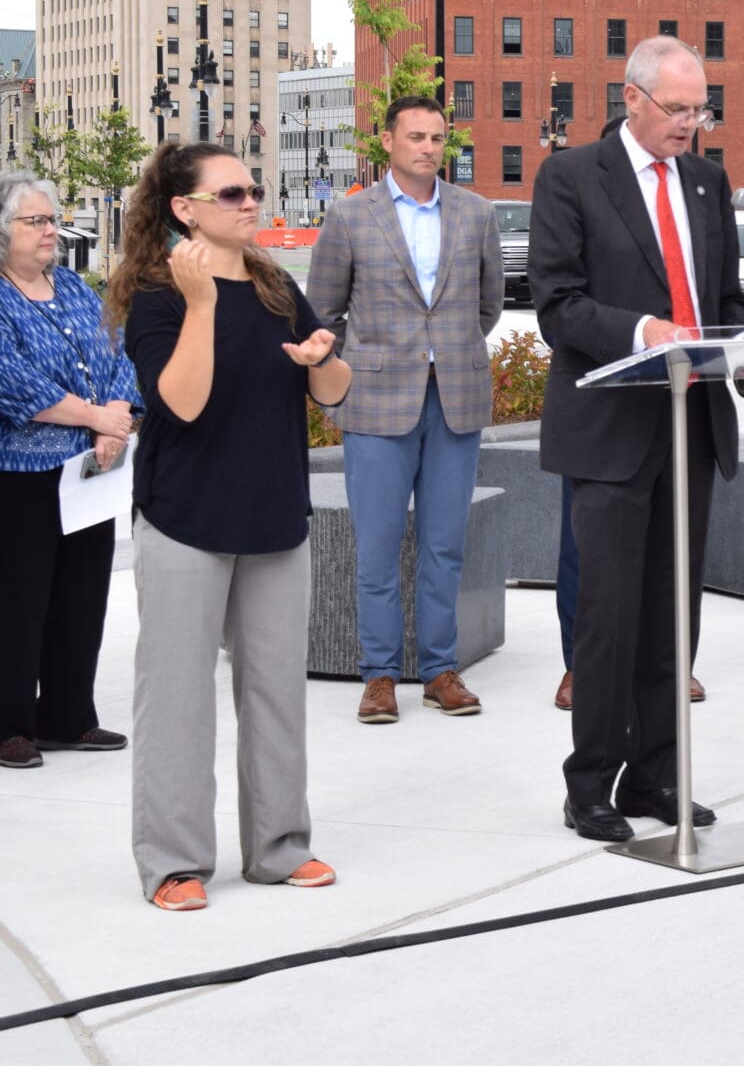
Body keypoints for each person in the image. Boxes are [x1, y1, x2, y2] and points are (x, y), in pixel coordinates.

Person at [111, 141, 353, 911]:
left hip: (275, 513)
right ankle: (174, 861)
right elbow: (179, 401)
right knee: (178, 695)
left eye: (255, 190)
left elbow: (333, 391)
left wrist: (321, 357)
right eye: (233, 194)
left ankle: (280, 848)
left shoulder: (277, 283)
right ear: (185, 209)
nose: (251, 202)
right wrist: (206, 305)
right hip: (186, 517)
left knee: (277, 691)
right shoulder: (157, 294)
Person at [530, 37, 744, 842]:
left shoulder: (706, 180)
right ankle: (589, 783)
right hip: (611, 428)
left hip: (690, 423)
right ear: (632, 98)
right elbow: (558, 305)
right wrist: (641, 331)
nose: (692, 124)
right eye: (678, 109)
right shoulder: (570, 177)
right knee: (608, 614)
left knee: (674, 614)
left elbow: (723, 293)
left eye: (700, 109)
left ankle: (657, 774)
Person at [307, 95, 504, 724]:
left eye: (437, 138)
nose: (427, 147)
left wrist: (444, 351)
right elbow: (324, 314)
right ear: (387, 141)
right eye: (415, 136)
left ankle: (442, 669)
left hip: (455, 399)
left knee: (446, 544)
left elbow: (488, 305)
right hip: (375, 402)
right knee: (378, 547)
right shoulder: (348, 216)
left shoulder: (475, 213)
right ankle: (380, 675)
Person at [0, 172, 142, 769]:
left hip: (88, 472)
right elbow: (14, 383)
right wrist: (98, 419)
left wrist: (118, 419)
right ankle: (10, 724)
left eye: (52, 220)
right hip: (23, 474)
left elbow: (121, 352)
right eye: (35, 221)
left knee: (82, 597)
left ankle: (68, 716)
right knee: (19, 601)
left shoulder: (77, 289)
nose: (49, 231)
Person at [548, 113, 631, 716]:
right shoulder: (573, 195)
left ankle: (671, 661)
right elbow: (560, 307)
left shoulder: (688, 199)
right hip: (595, 401)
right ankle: (578, 666)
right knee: (583, 547)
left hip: (670, 401)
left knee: (668, 549)